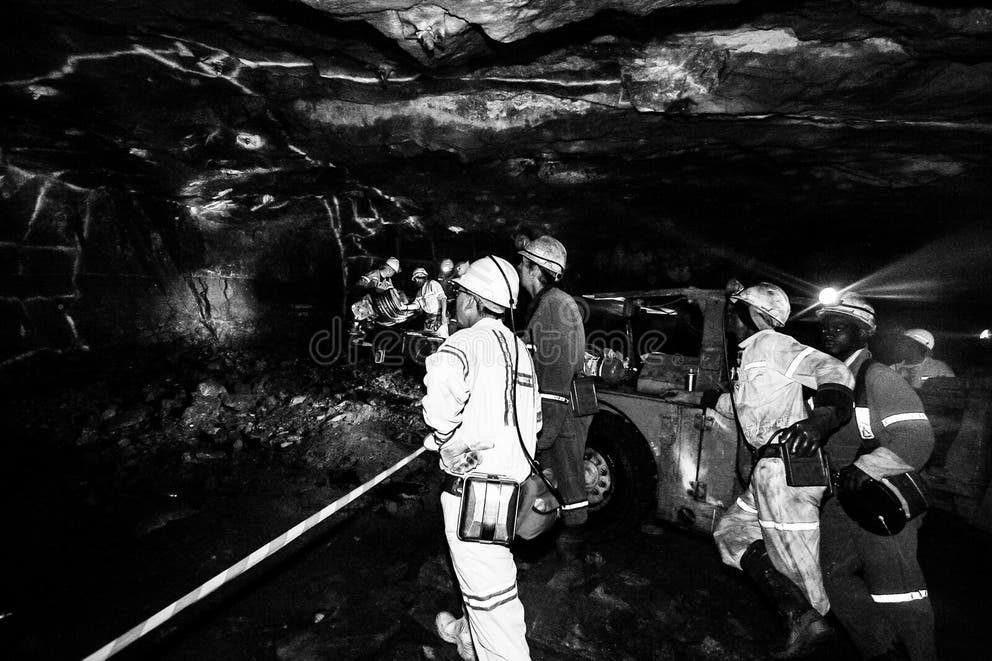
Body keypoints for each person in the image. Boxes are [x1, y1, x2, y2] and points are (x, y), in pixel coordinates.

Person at [706, 282, 854, 659]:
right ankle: (802, 618)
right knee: (731, 531)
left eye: (736, 309)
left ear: (754, 314)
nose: (729, 316)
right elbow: (749, 403)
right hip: (769, 470)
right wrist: (701, 398)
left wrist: (822, 419)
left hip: (789, 466)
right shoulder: (750, 354)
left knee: (800, 568)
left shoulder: (771, 344)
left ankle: (817, 636)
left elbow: (832, 369)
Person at [421, 256, 541, 661]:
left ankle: (495, 648)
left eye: (459, 295)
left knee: (494, 600)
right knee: (483, 578)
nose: (456, 302)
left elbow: (440, 403)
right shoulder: (521, 351)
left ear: (472, 300)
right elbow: (534, 421)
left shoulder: (463, 344)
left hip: (477, 496)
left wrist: (443, 439)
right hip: (511, 491)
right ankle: (468, 635)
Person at [817, 293, 937, 661]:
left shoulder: (879, 378)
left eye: (840, 327)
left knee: (898, 593)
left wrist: (867, 467)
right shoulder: (830, 379)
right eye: (826, 327)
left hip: (880, 498)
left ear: (864, 332)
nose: (829, 333)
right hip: (841, 500)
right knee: (831, 575)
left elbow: (918, 439)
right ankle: (882, 649)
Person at [517, 235, 591, 580]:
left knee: (567, 482)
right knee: (557, 481)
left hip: (561, 407)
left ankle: (573, 565)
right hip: (563, 404)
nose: (519, 268)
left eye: (523, 263)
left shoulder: (554, 306)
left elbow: (558, 368)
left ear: (535, 269)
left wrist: (543, 431)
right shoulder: (552, 303)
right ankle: (554, 554)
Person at [890, 329, 955, 389]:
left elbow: (953, 389)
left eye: (904, 344)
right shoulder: (892, 369)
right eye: (899, 344)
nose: (898, 348)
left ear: (916, 346)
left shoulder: (939, 368)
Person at [405, 266, 449, 337]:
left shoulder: (432, 284)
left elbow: (443, 299)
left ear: (424, 277)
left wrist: (443, 315)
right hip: (429, 319)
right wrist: (405, 307)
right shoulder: (419, 292)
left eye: (418, 278)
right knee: (429, 339)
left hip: (439, 317)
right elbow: (416, 305)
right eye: (415, 279)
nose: (417, 280)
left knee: (442, 338)